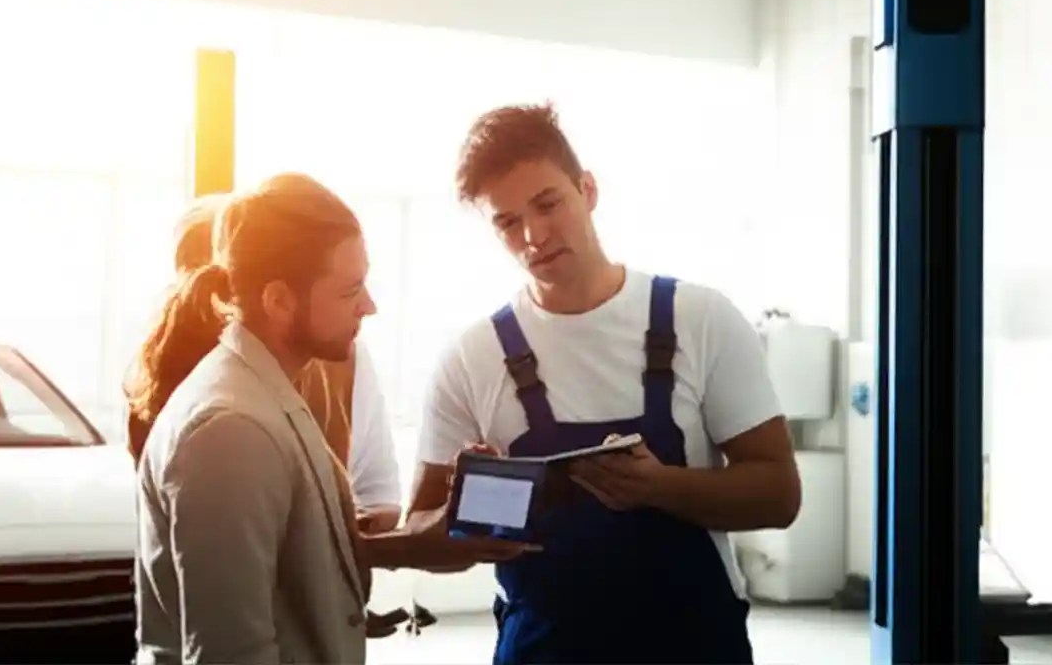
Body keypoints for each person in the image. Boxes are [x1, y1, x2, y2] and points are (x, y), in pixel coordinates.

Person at [407, 104, 803, 664]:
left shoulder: (700, 319)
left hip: (693, 645)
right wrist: (467, 515)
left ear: (586, 189)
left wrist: (659, 487)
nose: (533, 236)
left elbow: (779, 495)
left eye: (548, 204)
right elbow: (423, 531)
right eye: (507, 222)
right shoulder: (473, 357)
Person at [132, 174, 531, 665]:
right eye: (349, 292)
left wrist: (419, 542)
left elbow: (290, 564)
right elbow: (231, 654)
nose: (370, 306)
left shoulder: (269, 391)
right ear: (279, 301)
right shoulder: (229, 431)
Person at [124, 195, 401, 532]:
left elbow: (374, 497)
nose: (366, 307)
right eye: (349, 291)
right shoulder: (220, 423)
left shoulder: (334, 352)